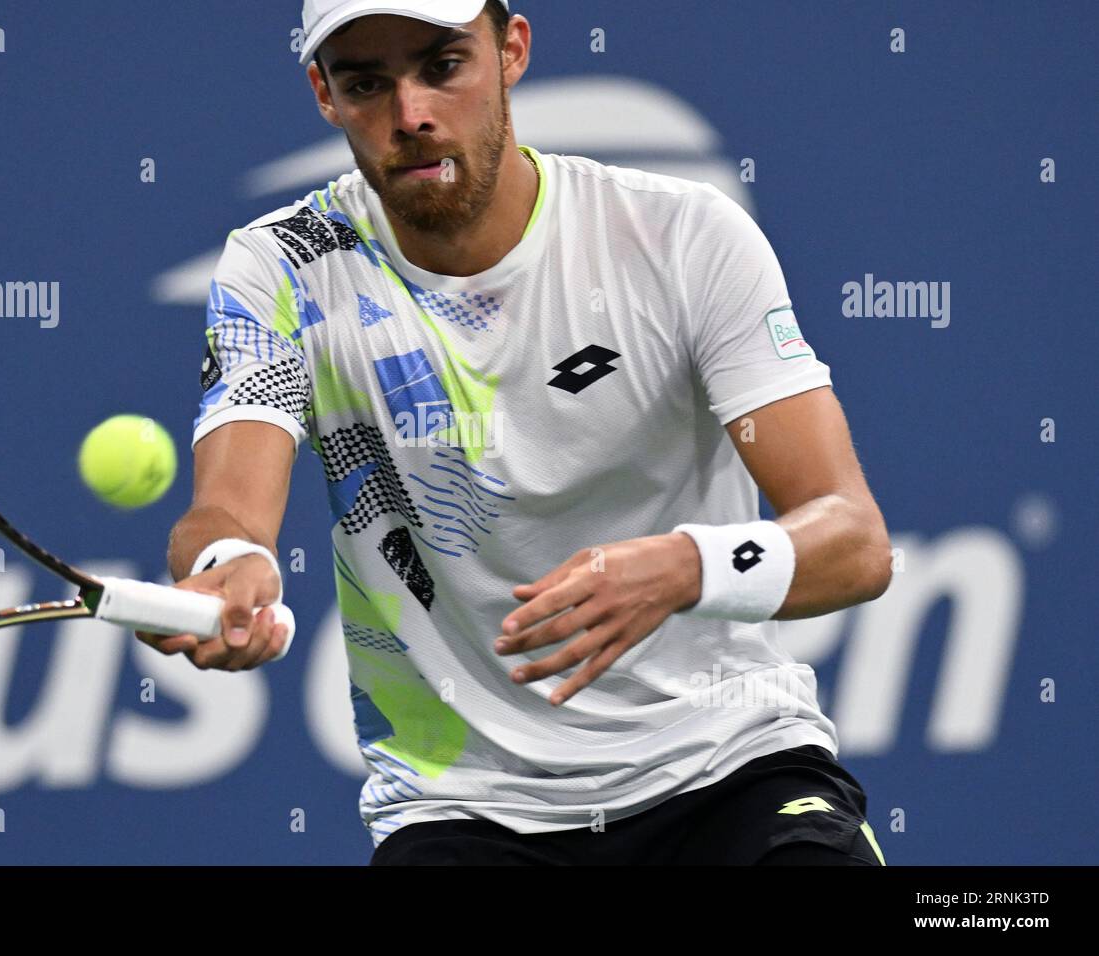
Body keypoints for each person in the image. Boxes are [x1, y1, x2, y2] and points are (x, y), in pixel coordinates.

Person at [137, 0, 892, 866]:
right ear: (324, 94)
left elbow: (855, 540)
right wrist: (223, 570)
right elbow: (228, 513)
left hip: (731, 768)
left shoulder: (683, 235)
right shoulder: (282, 264)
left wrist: (687, 566)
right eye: (366, 82)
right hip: (463, 808)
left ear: (512, 51)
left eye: (443, 65)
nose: (410, 115)